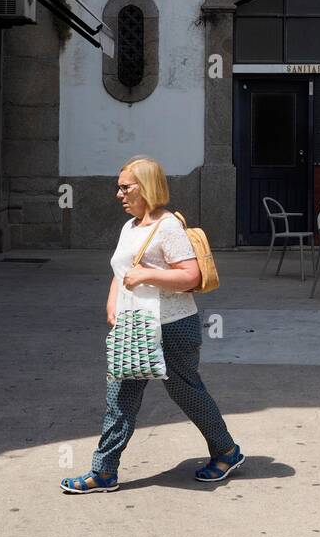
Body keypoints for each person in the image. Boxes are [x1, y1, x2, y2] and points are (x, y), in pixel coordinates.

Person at [61, 156, 243, 493]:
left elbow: (192, 275)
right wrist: (112, 301)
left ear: (146, 188)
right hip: (134, 326)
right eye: (119, 187)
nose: (119, 194)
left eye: (125, 187)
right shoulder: (130, 227)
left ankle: (226, 451)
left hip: (173, 325)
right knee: (120, 398)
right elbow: (122, 270)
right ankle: (103, 471)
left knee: (185, 391)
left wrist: (148, 274)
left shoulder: (168, 226)